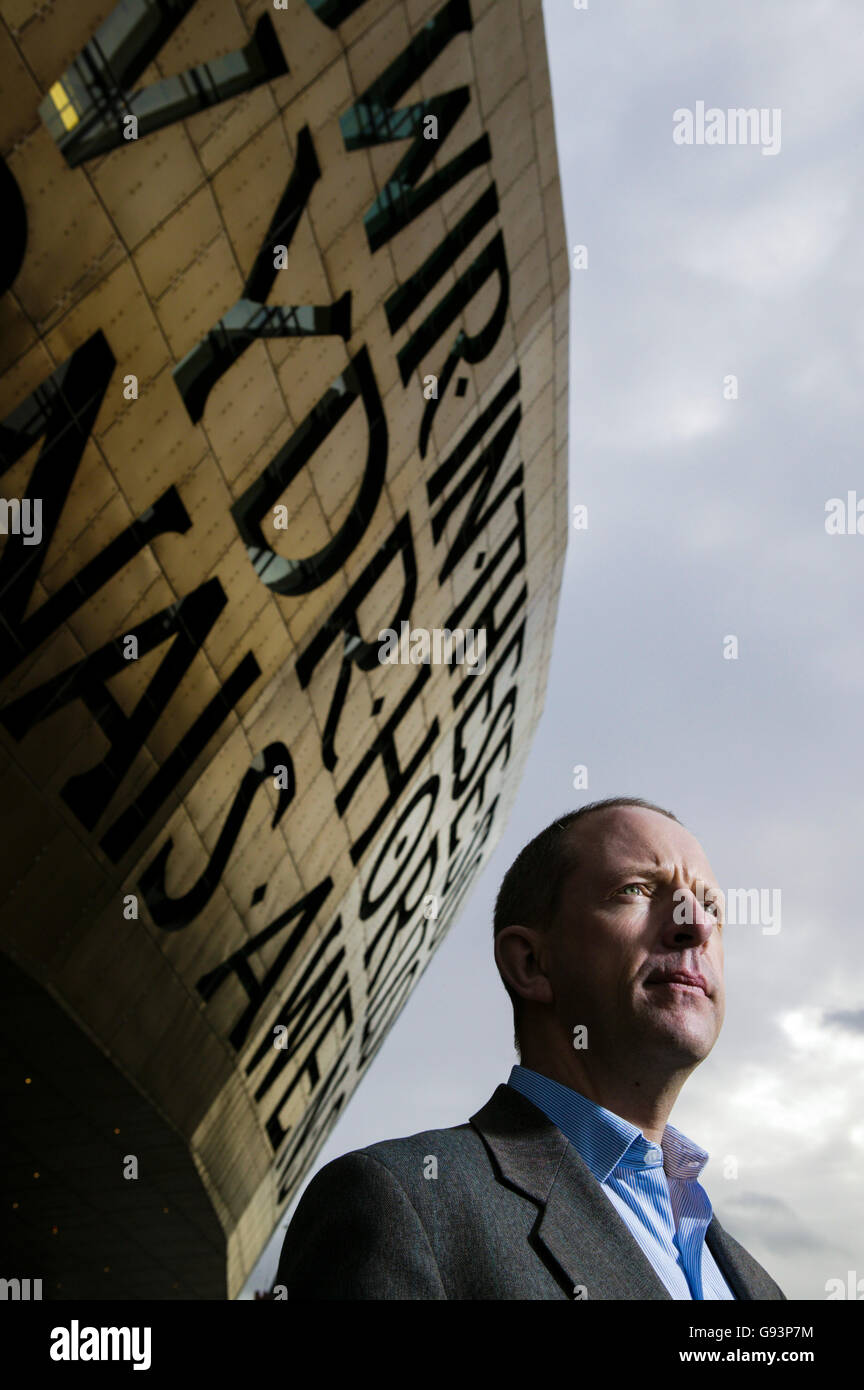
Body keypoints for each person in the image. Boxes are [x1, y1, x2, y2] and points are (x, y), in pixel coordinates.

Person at [274, 797, 786, 1300]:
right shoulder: (400, 1204)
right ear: (531, 964)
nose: (695, 925)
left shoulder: (757, 1286)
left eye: (712, 906)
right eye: (636, 889)